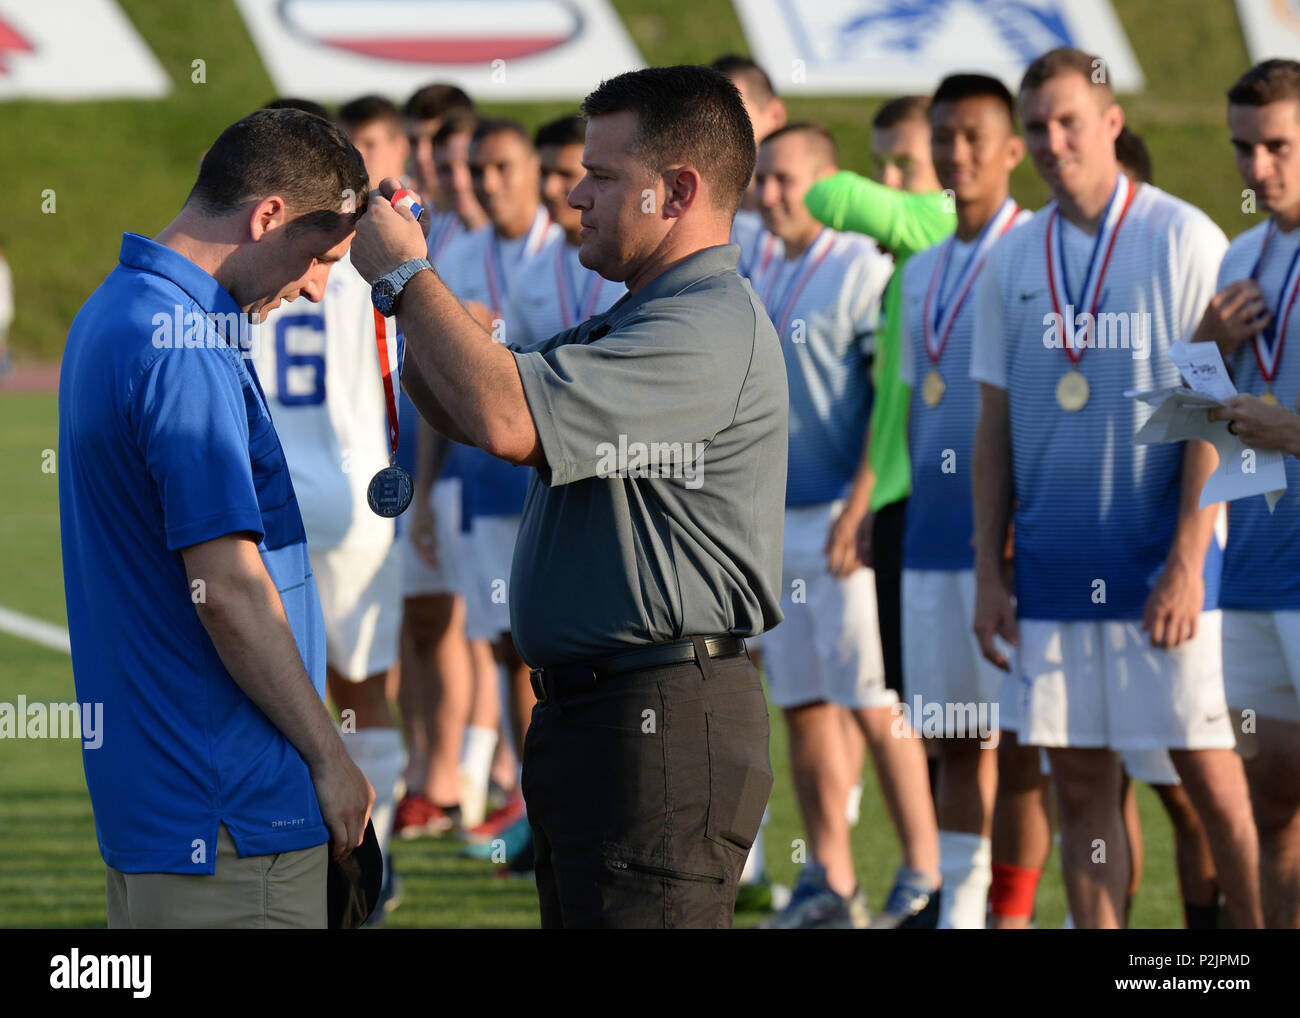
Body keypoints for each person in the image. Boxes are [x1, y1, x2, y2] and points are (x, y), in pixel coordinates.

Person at [348, 64, 787, 929]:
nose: (577, 195)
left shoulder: (699, 326)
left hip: (657, 716)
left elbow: (506, 415)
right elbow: (475, 410)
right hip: (615, 713)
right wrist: (414, 301)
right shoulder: (648, 310)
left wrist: (408, 281)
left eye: (603, 175)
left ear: (678, 191)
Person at [58, 107, 373, 928]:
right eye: (321, 258)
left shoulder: (117, 308)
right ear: (268, 215)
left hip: (166, 810)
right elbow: (228, 590)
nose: (314, 288)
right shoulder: (184, 347)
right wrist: (330, 757)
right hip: (231, 820)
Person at [970, 46, 1262, 929]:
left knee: (1214, 780)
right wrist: (989, 569)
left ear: (1109, 124)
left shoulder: (1183, 236)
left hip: (1166, 569)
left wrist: (1184, 558)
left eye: (1067, 121)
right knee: (1082, 788)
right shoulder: (1012, 259)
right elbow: (995, 428)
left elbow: (1218, 413)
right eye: (1036, 127)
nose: (1052, 141)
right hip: (1053, 575)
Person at [251, 95, 410, 921]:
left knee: (274, 680)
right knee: (361, 686)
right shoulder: (364, 246)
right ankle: (373, 863)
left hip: (270, 491)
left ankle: (304, 852)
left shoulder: (261, 245)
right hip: (356, 491)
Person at [803, 94, 955, 925]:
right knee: (923, 709)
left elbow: (828, 196)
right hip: (901, 504)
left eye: (906, 162)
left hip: (948, 506)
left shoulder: (934, 225)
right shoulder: (911, 261)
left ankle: (961, 890)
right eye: (884, 159)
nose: (891, 178)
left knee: (967, 724)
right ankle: (947, 892)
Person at [742, 122, 896, 929]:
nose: (768, 196)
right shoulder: (757, 262)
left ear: (829, 186)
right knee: (800, 704)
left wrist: (863, 501)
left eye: (787, 182)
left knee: (874, 703)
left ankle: (926, 878)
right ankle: (830, 879)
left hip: (845, 525)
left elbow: (889, 399)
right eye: (761, 181)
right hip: (774, 524)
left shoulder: (863, 268)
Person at [896, 74, 1031, 929]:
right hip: (930, 540)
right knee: (950, 735)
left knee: (1019, 744)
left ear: (1013, 149)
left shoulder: (1031, 255)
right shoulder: (922, 269)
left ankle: (1008, 915)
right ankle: (961, 911)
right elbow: (919, 400)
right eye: (944, 135)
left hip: (1017, 545)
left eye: (975, 135)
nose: (957, 152)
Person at [435, 118, 564, 868]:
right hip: (483, 483)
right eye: (477, 169)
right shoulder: (460, 249)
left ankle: (558, 805)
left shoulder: (565, 251)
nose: (487, 182)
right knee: (506, 648)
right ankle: (529, 801)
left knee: (556, 647)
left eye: (501, 168)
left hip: (552, 477)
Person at [1196, 58, 1300, 929]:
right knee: (1276, 816)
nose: (1257, 169)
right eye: (1244, 148)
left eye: (1278, 147)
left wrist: (1290, 429)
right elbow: (1185, 414)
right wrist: (1203, 339)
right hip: (1255, 574)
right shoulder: (1241, 254)